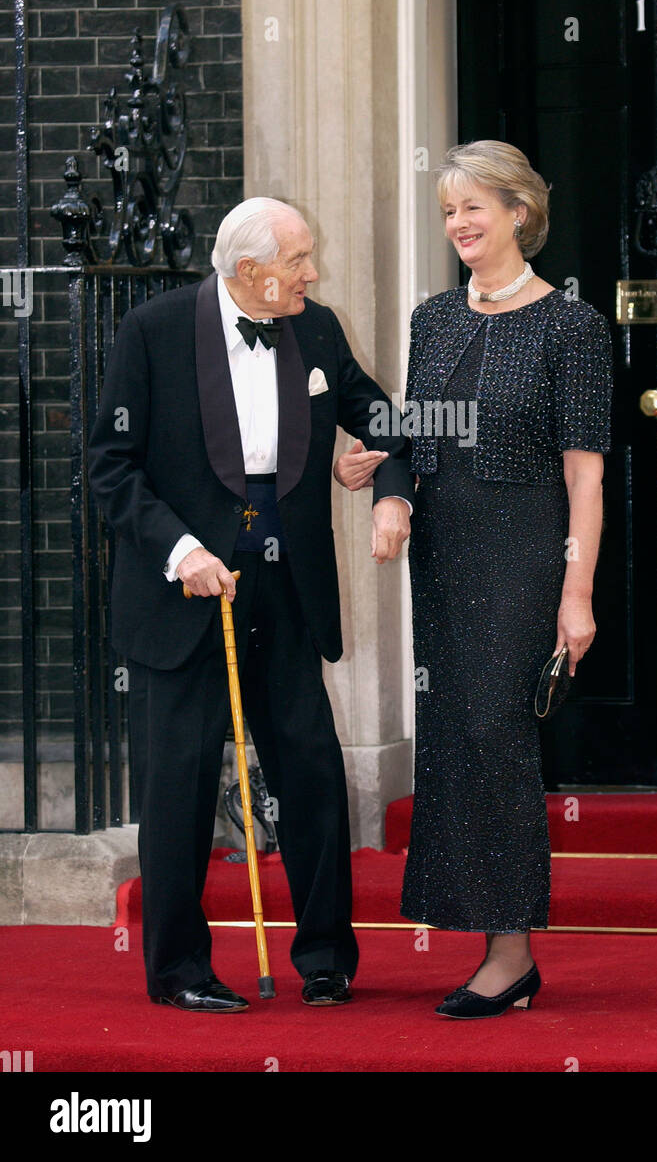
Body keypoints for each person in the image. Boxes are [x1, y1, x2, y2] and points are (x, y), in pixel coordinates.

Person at [88, 196, 413, 1012]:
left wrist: (387, 489)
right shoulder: (154, 331)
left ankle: (327, 958)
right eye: (299, 261)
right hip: (184, 589)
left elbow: (380, 416)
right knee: (179, 783)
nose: (313, 273)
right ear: (247, 273)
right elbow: (110, 467)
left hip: (285, 586)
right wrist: (181, 550)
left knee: (308, 771)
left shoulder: (317, 327)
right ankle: (178, 972)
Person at [338, 141, 612, 1017]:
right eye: (448, 210)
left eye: (474, 208)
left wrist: (576, 592)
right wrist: (382, 479)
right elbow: (416, 440)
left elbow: (585, 477)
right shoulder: (433, 320)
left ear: (519, 214)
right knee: (458, 739)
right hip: (445, 556)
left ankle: (511, 954)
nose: (458, 224)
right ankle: (494, 940)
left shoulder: (572, 325)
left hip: (525, 550)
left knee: (497, 735)